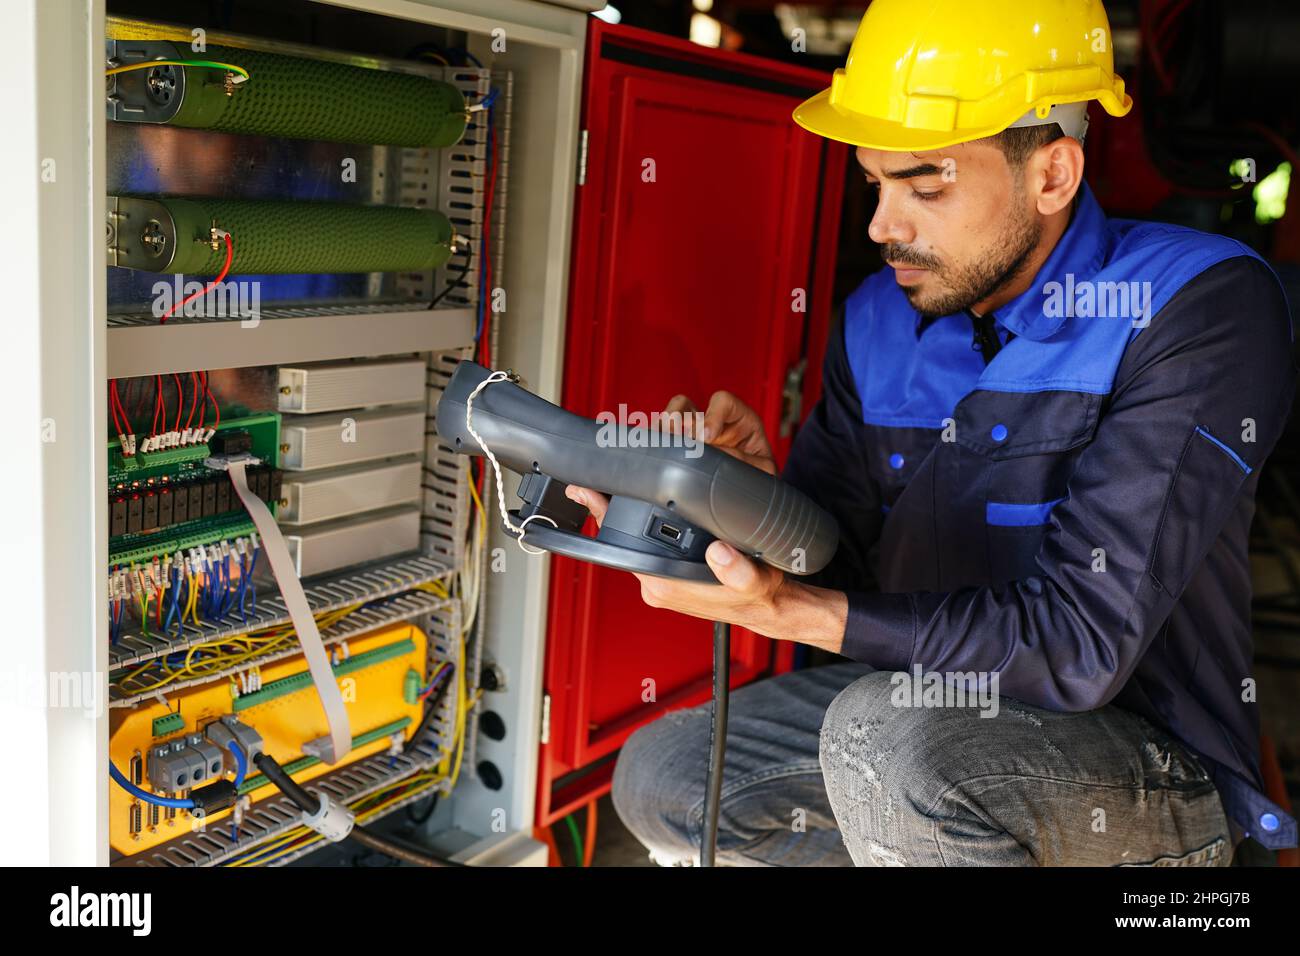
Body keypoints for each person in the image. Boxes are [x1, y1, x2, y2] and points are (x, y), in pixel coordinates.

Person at [566, 0, 1298, 866]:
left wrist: (798, 610)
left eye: (926, 185)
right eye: (876, 183)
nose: (882, 226)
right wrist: (749, 505)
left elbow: (1080, 646)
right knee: (666, 773)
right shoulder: (879, 319)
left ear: (1053, 175)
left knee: (892, 747)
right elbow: (839, 560)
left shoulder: (1193, 308)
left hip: (1142, 759)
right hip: (915, 726)